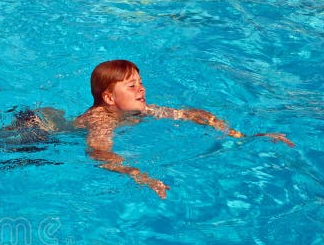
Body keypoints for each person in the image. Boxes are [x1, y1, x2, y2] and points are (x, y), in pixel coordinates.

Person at [74, 59, 294, 198]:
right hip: (55, 138)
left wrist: (244, 135)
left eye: (141, 82)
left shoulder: (141, 109)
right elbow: (98, 153)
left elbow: (186, 114)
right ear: (109, 98)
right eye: (132, 86)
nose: (142, 89)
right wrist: (138, 175)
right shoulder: (101, 121)